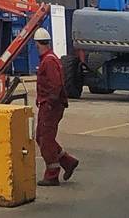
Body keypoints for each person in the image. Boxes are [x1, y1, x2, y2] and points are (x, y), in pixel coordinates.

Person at [32, 28, 79, 186]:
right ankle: (68, 161)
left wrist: (50, 103)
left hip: (51, 105)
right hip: (48, 104)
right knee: (41, 136)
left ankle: (52, 174)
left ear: (37, 44)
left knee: (45, 139)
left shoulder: (48, 61)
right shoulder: (49, 59)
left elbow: (55, 84)